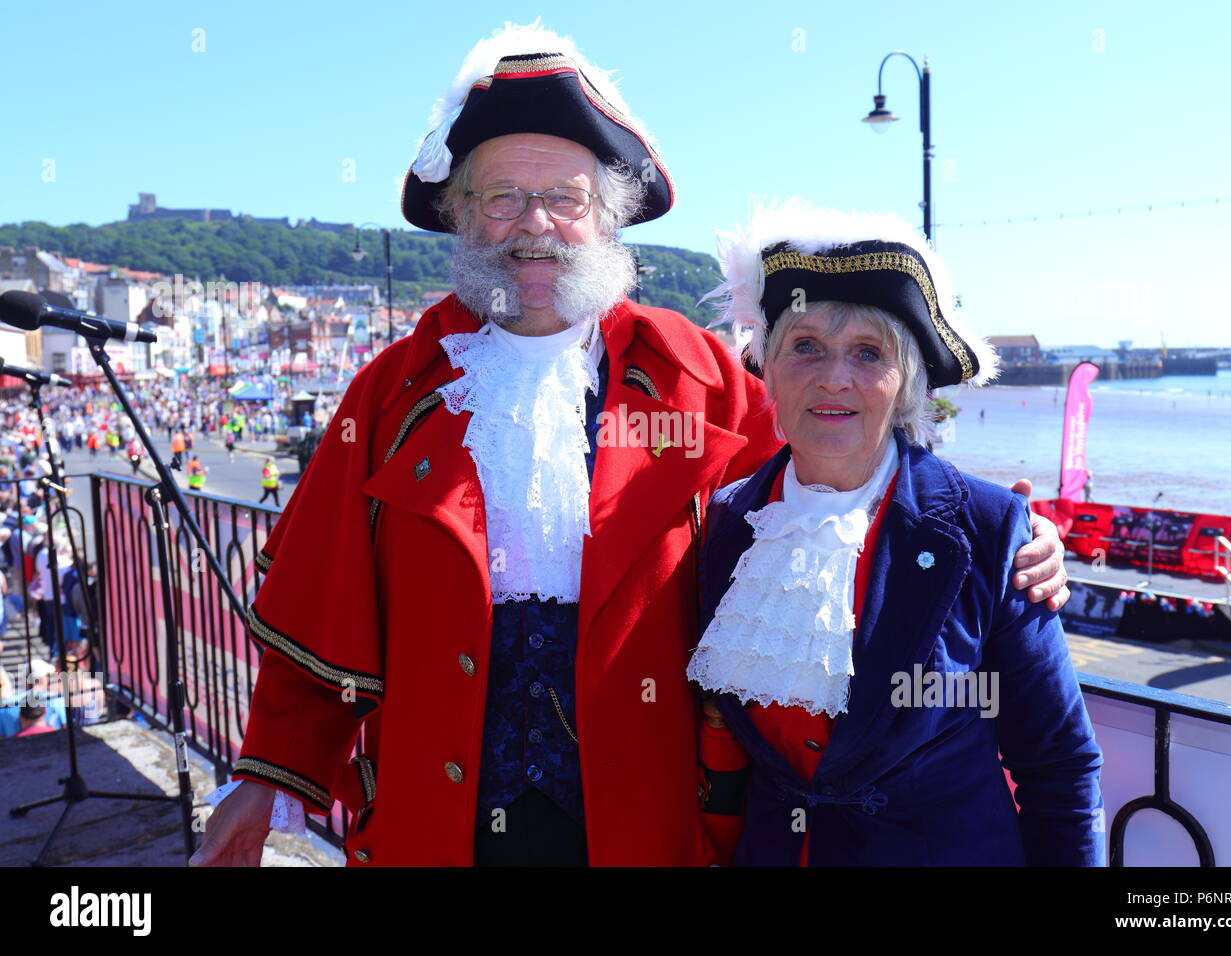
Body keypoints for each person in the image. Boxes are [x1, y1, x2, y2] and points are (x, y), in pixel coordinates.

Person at [191, 22, 1068, 869]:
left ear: (606, 218)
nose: (533, 225)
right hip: (438, 807)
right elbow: (321, 611)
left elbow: (837, 485)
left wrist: (1012, 538)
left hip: (650, 813)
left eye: (564, 198)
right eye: (502, 197)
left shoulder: (699, 374)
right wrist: (264, 779)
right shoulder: (392, 393)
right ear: (463, 216)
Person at [689, 202, 1103, 865]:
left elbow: (1058, 764)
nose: (834, 376)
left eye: (867, 352)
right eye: (805, 346)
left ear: (905, 382)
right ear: (766, 365)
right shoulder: (727, 522)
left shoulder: (991, 531)